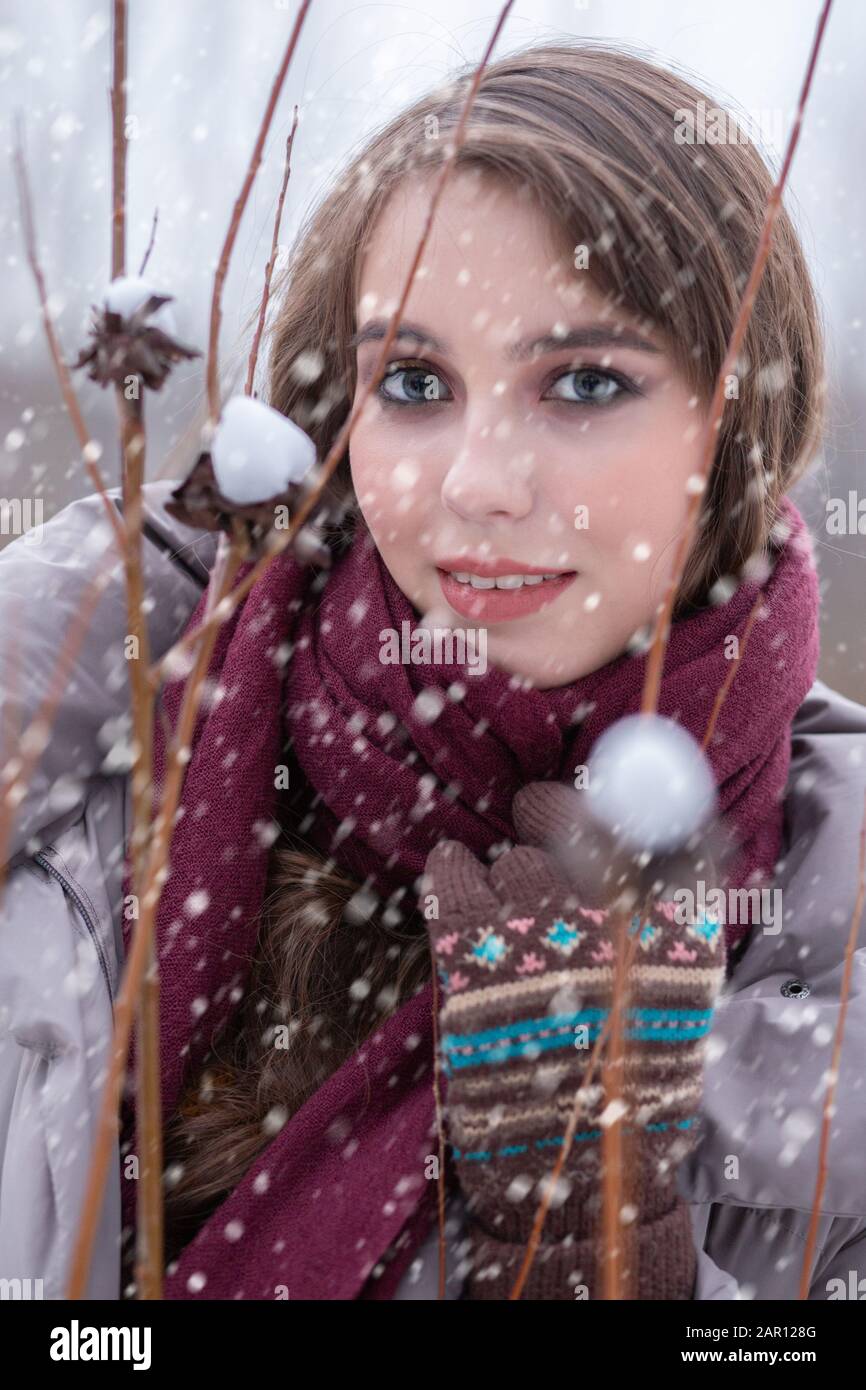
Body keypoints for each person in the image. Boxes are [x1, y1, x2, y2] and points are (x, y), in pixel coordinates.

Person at [1, 40, 865, 1302]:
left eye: (582, 381)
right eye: (412, 382)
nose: (476, 483)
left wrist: (600, 1239)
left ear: (737, 418)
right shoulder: (106, 765)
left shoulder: (824, 931)